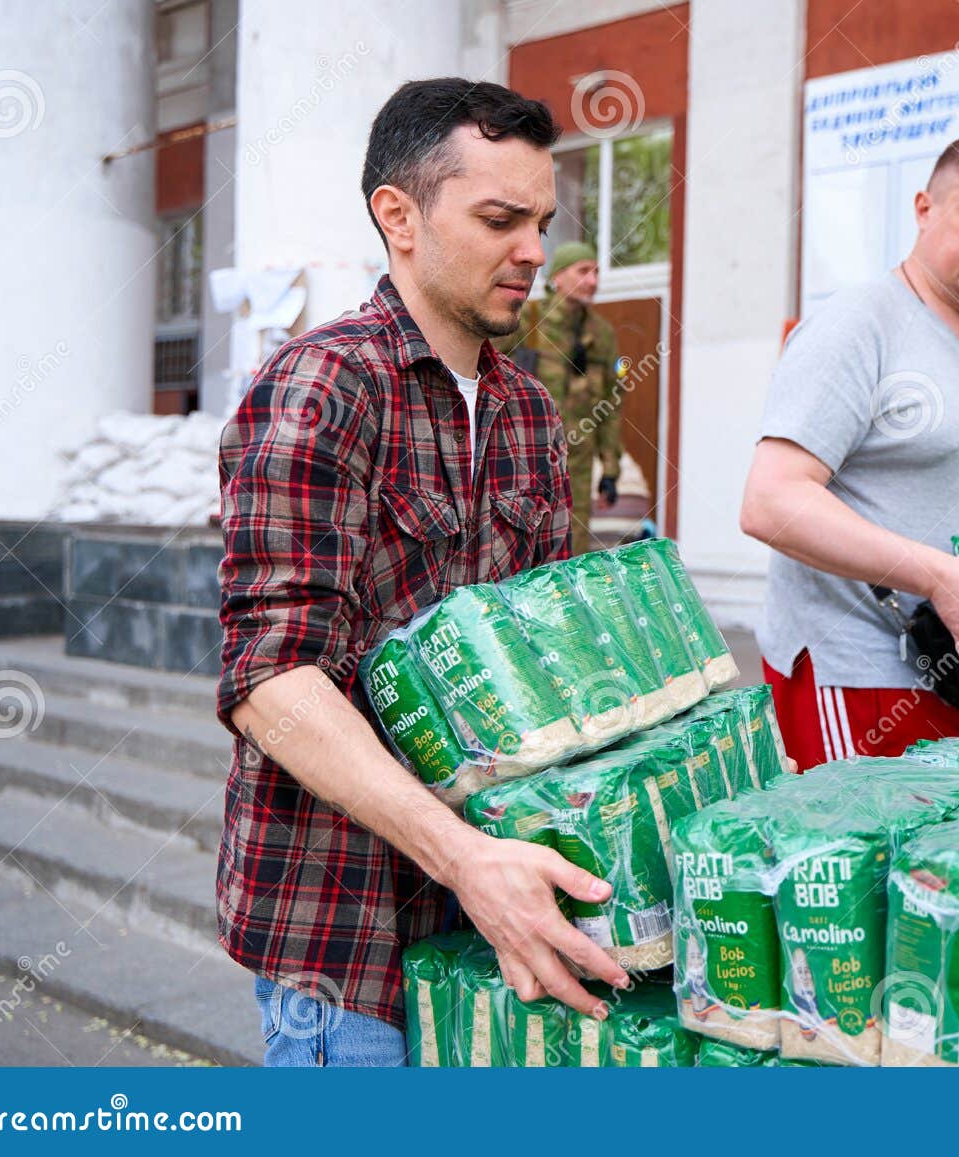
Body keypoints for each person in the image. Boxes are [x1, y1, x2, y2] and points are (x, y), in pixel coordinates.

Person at [216, 79, 632, 1067]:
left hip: (497, 909)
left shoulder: (532, 411)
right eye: (500, 218)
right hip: (349, 926)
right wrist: (465, 858)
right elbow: (270, 683)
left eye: (541, 221)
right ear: (396, 216)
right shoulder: (321, 386)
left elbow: (548, 657)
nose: (534, 250)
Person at [740, 130, 959, 769]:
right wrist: (941, 577)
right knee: (869, 868)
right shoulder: (857, 325)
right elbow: (771, 502)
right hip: (854, 678)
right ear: (925, 210)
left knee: (931, 869)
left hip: (951, 674)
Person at [496, 240, 622, 552]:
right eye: (584, 271)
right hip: (524, 456)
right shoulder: (526, 319)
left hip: (578, 459)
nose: (593, 281)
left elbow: (611, 401)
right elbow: (484, 374)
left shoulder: (601, 334)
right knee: (519, 545)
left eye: (596, 273)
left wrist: (610, 468)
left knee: (573, 547)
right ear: (558, 276)